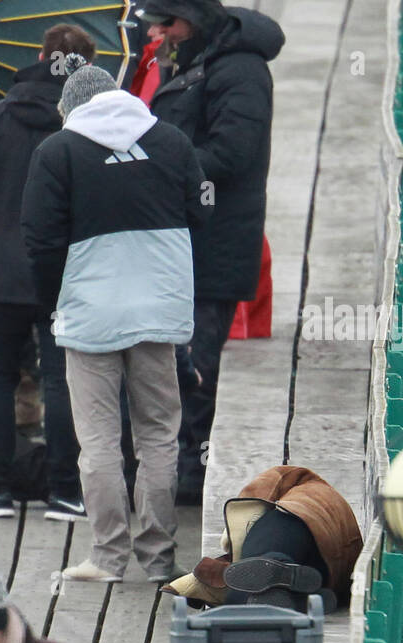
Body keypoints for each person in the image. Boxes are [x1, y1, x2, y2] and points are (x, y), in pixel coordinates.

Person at [22, 66, 209, 584]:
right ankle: (159, 558)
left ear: (70, 107)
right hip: (159, 311)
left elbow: (38, 239)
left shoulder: (57, 152)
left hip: (90, 312)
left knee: (100, 440)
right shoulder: (169, 140)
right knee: (158, 437)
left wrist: (54, 299)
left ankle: (107, 557)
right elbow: (201, 213)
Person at [136, 0, 284, 502]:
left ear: (194, 20)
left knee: (196, 362)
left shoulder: (240, 71)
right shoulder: (195, 57)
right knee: (174, 357)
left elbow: (233, 153)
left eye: (167, 21)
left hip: (215, 241)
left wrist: (155, 165)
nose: (157, 31)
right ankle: (176, 468)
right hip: (183, 238)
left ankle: (192, 475)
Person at [0, 23, 94, 522]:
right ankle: (66, 491)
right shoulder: (83, 124)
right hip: (63, 276)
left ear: (40, 54)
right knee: (61, 382)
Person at [163, 465, 362, 613]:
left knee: (249, 580)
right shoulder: (313, 491)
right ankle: (293, 589)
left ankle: (299, 596)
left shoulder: (294, 487)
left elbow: (253, 501)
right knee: (267, 560)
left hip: (312, 546)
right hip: (332, 567)